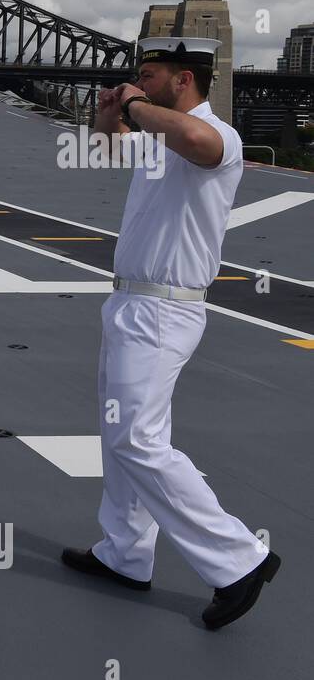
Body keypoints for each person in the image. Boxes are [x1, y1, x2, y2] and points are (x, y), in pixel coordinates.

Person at [62, 36, 279, 629]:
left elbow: (199, 143)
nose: (140, 79)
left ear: (183, 79)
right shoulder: (160, 137)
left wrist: (133, 108)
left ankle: (238, 560)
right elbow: (108, 152)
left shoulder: (215, 135)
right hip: (131, 303)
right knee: (119, 434)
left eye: (148, 73)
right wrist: (110, 117)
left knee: (138, 439)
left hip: (165, 309)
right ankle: (124, 553)